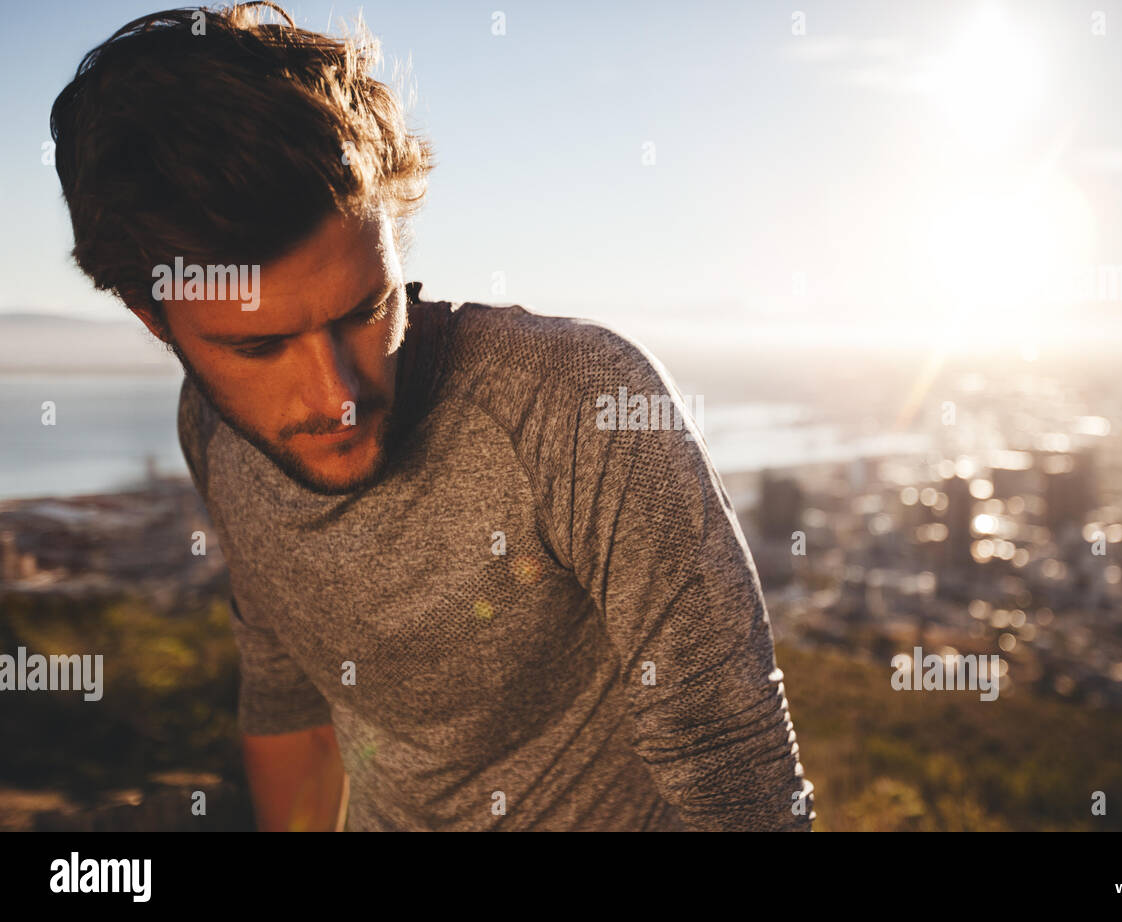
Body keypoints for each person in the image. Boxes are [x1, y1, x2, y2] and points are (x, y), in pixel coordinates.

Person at [50, 1, 814, 831]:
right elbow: (287, 694)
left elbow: (739, 781)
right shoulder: (208, 430)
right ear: (151, 315)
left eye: (364, 310)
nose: (335, 392)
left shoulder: (582, 402)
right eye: (262, 347)